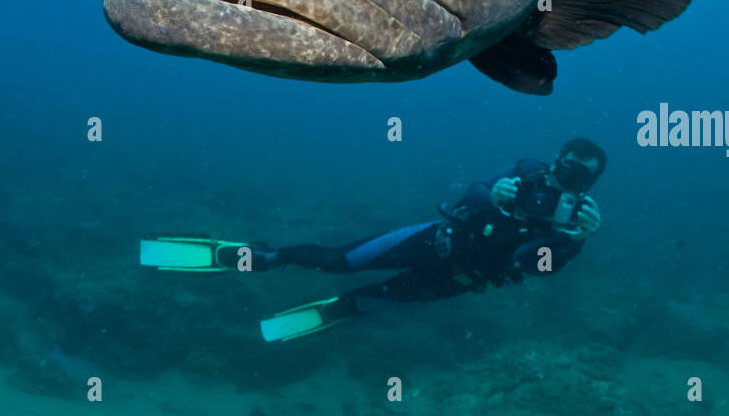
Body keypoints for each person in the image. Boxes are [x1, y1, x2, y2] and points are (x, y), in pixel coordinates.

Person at [140, 138, 605, 342]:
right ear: (554, 161)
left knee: (359, 303)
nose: (566, 182)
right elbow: (467, 195)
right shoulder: (521, 178)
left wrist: (574, 242)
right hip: (431, 241)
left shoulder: (566, 230)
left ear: (590, 186)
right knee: (339, 260)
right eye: (565, 168)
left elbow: (531, 264)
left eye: (581, 178)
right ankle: (258, 256)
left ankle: (303, 321)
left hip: (456, 280)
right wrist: (493, 196)